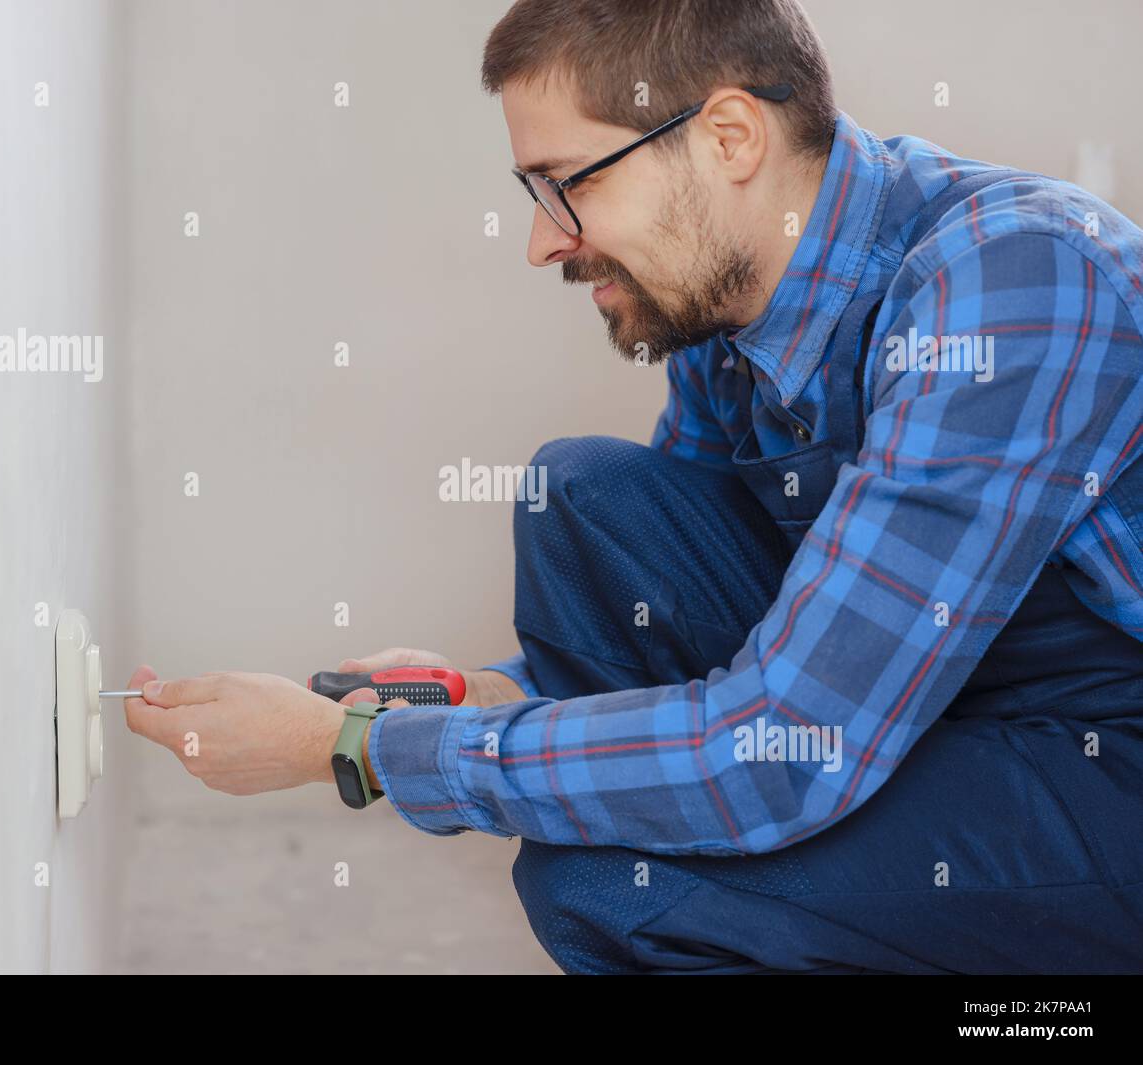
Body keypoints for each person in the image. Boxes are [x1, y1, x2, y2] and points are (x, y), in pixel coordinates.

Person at [123, 0, 1143, 973]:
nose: (544, 240)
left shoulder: (1012, 286)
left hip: (1106, 765)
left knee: (615, 886)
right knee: (584, 498)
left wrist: (364, 749)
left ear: (728, 138)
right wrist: (482, 693)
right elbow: (766, 646)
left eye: (571, 183)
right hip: (926, 699)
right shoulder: (727, 309)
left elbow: (778, 750)